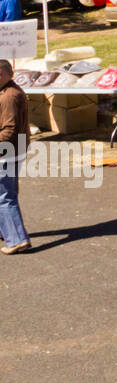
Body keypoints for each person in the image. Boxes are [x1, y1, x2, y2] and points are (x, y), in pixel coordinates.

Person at [0, 60, 32, 255]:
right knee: (5, 193)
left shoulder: (9, 96)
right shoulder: (8, 91)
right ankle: (6, 231)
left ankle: (17, 240)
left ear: (7, 74)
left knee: (4, 196)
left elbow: (9, 130)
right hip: (13, 150)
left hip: (7, 152)